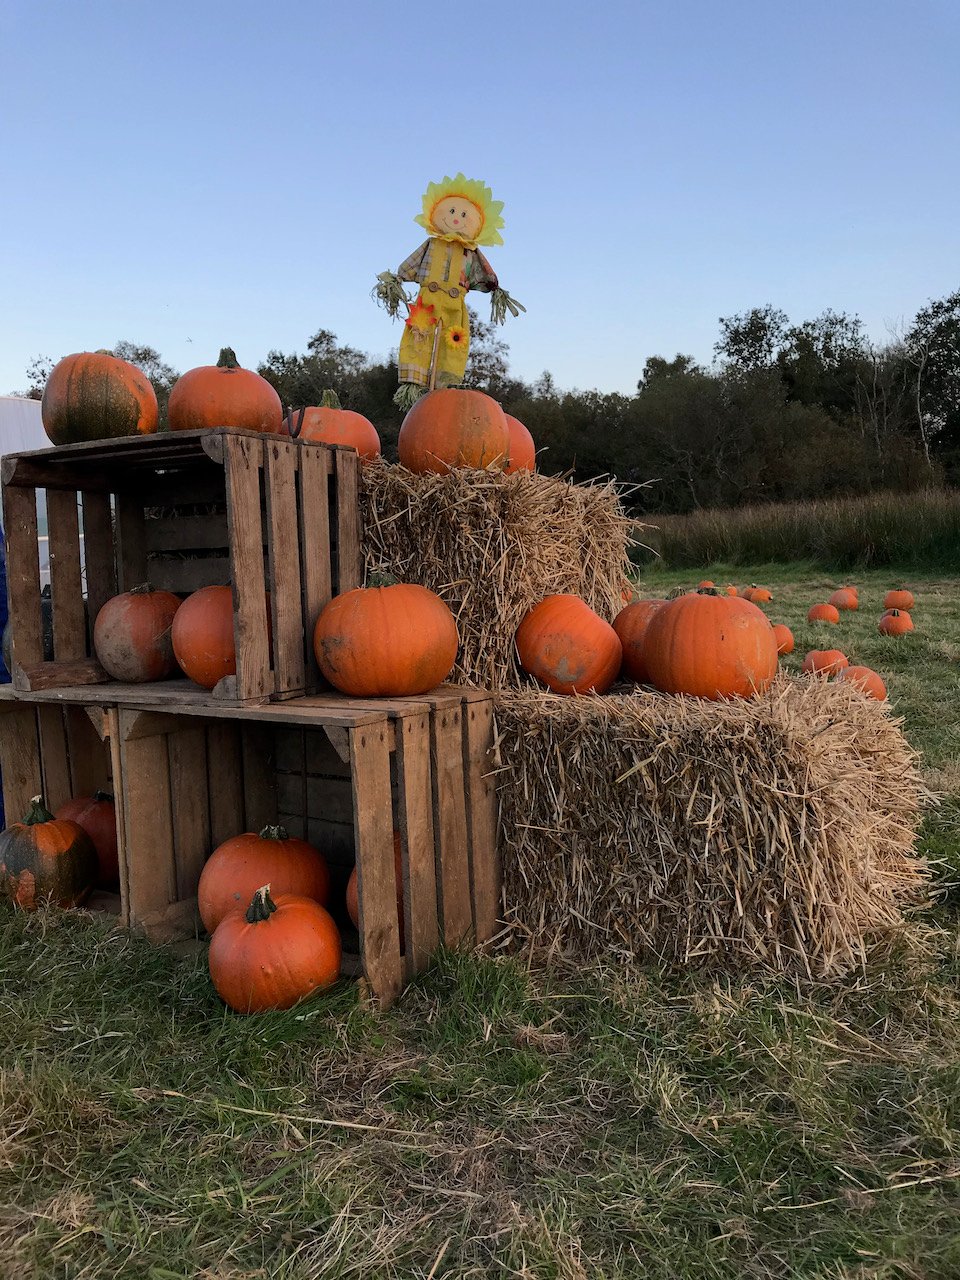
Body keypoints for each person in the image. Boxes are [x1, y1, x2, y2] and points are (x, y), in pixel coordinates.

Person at [374, 173, 524, 408]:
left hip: (455, 304)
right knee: (418, 336)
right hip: (427, 300)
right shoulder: (431, 244)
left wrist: (495, 287)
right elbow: (411, 264)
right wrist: (398, 279)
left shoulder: (471, 252)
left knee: (453, 341)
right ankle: (413, 385)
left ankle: (446, 388)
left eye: (464, 214)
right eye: (452, 212)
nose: (456, 218)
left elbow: (485, 274)